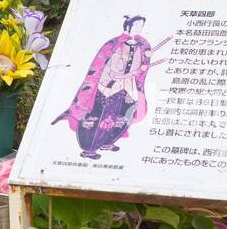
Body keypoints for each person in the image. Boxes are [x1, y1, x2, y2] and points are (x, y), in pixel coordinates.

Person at [54, 16, 165, 156]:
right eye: (136, 26)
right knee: (97, 116)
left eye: (141, 26)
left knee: (123, 115)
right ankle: (89, 148)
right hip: (107, 87)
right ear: (127, 26)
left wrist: (146, 57)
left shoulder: (140, 44)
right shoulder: (114, 44)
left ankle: (108, 142)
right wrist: (136, 71)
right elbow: (113, 71)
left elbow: (142, 63)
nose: (139, 29)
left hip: (128, 87)